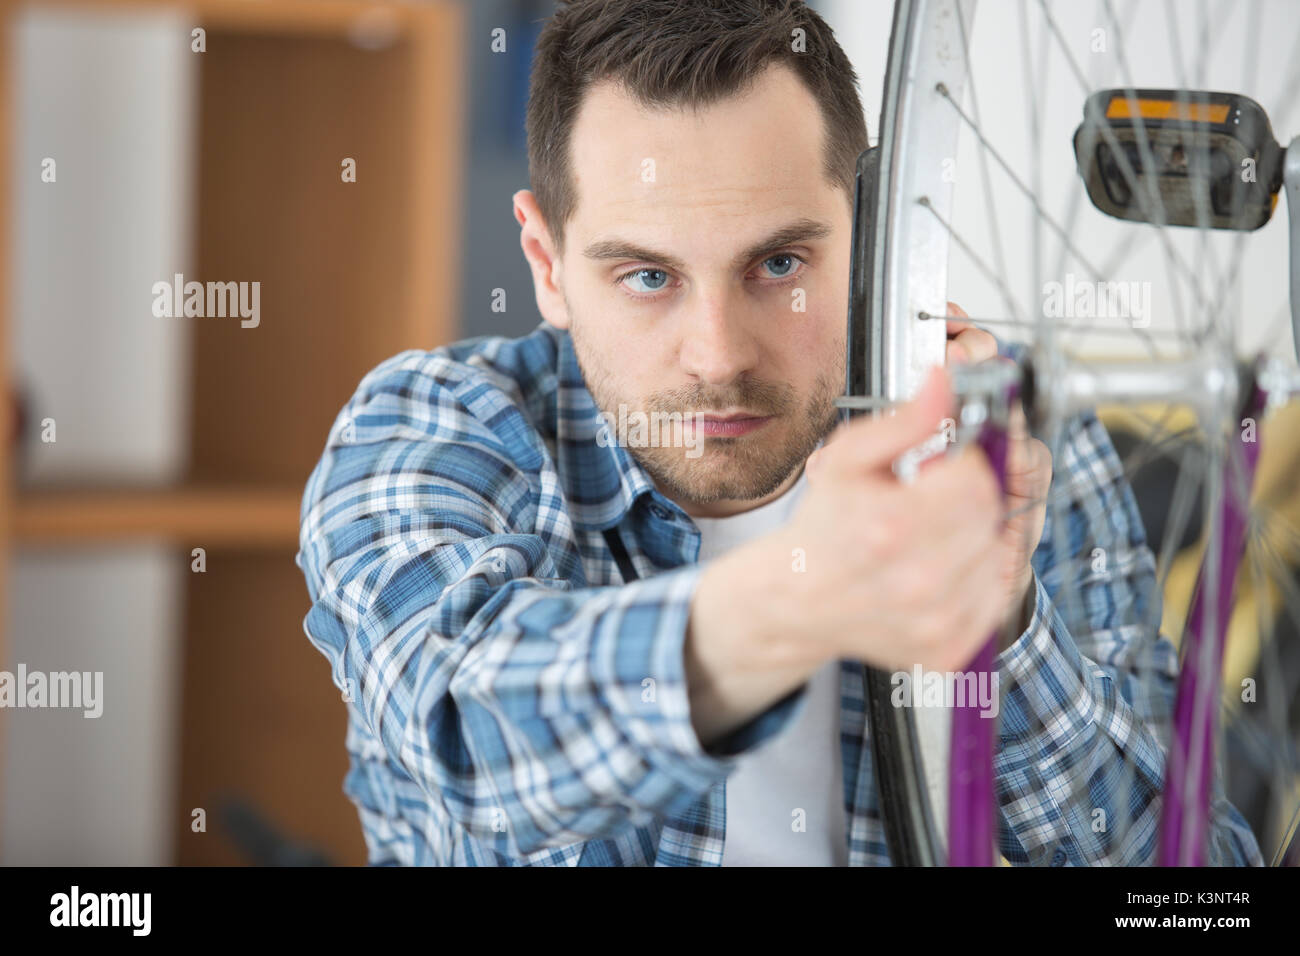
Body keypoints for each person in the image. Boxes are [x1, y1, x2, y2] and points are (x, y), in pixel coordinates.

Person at [295, 0, 1261, 866]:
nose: (716, 357)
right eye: (646, 276)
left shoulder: (1009, 443)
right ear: (547, 265)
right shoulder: (429, 424)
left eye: (779, 262)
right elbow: (471, 733)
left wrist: (1002, 628)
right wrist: (808, 594)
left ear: (876, 238)